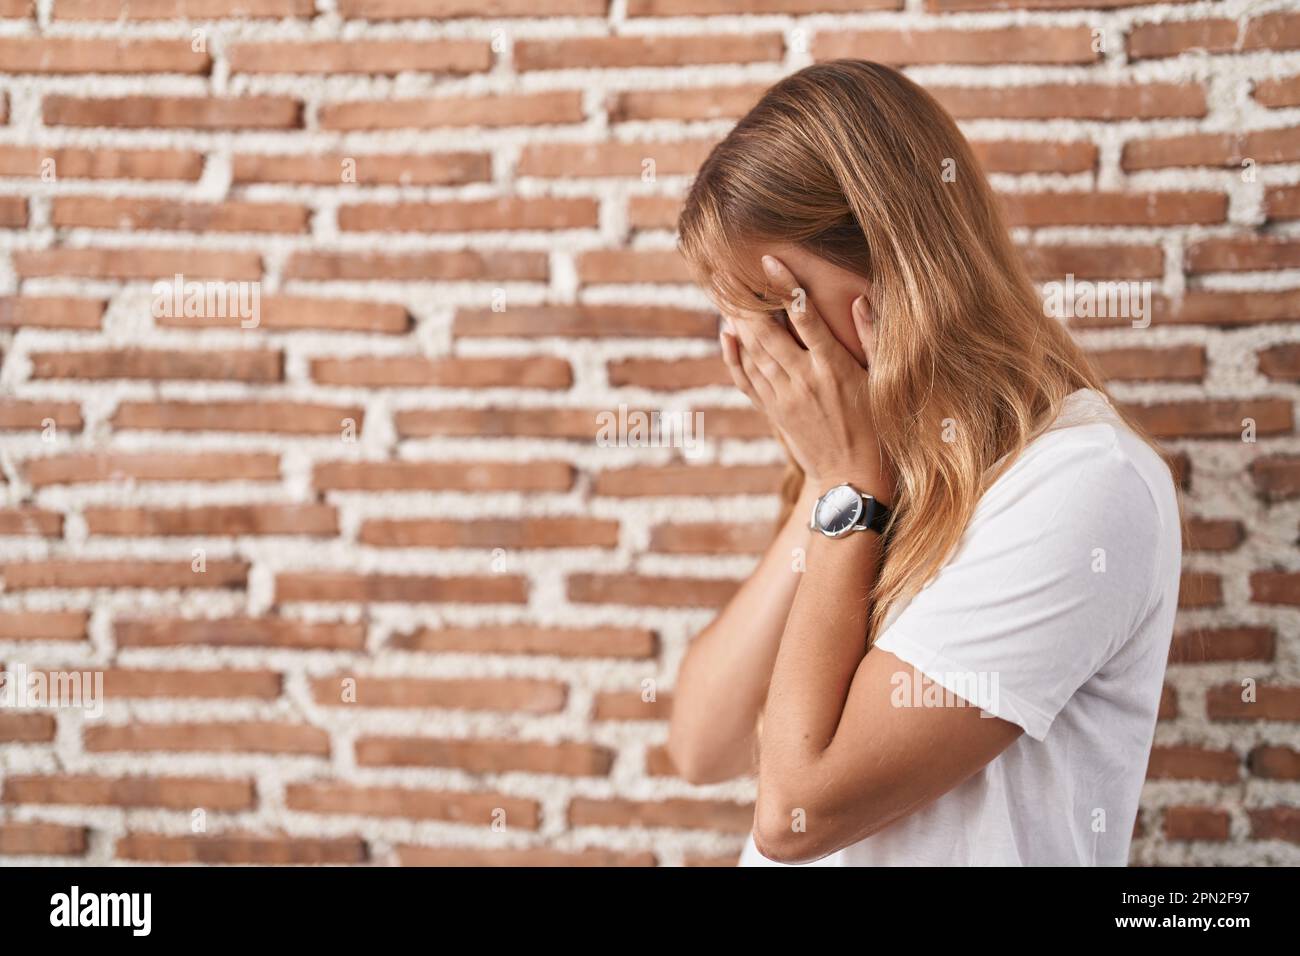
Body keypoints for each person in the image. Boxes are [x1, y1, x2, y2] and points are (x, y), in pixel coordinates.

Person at [666, 60, 1183, 866]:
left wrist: (847, 491)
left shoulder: (1080, 484)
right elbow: (702, 744)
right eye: (741, 320)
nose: (764, 351)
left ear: (898, 264)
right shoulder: (866, 471)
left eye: (780, 307)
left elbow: (797, 811)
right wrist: (828, 480)